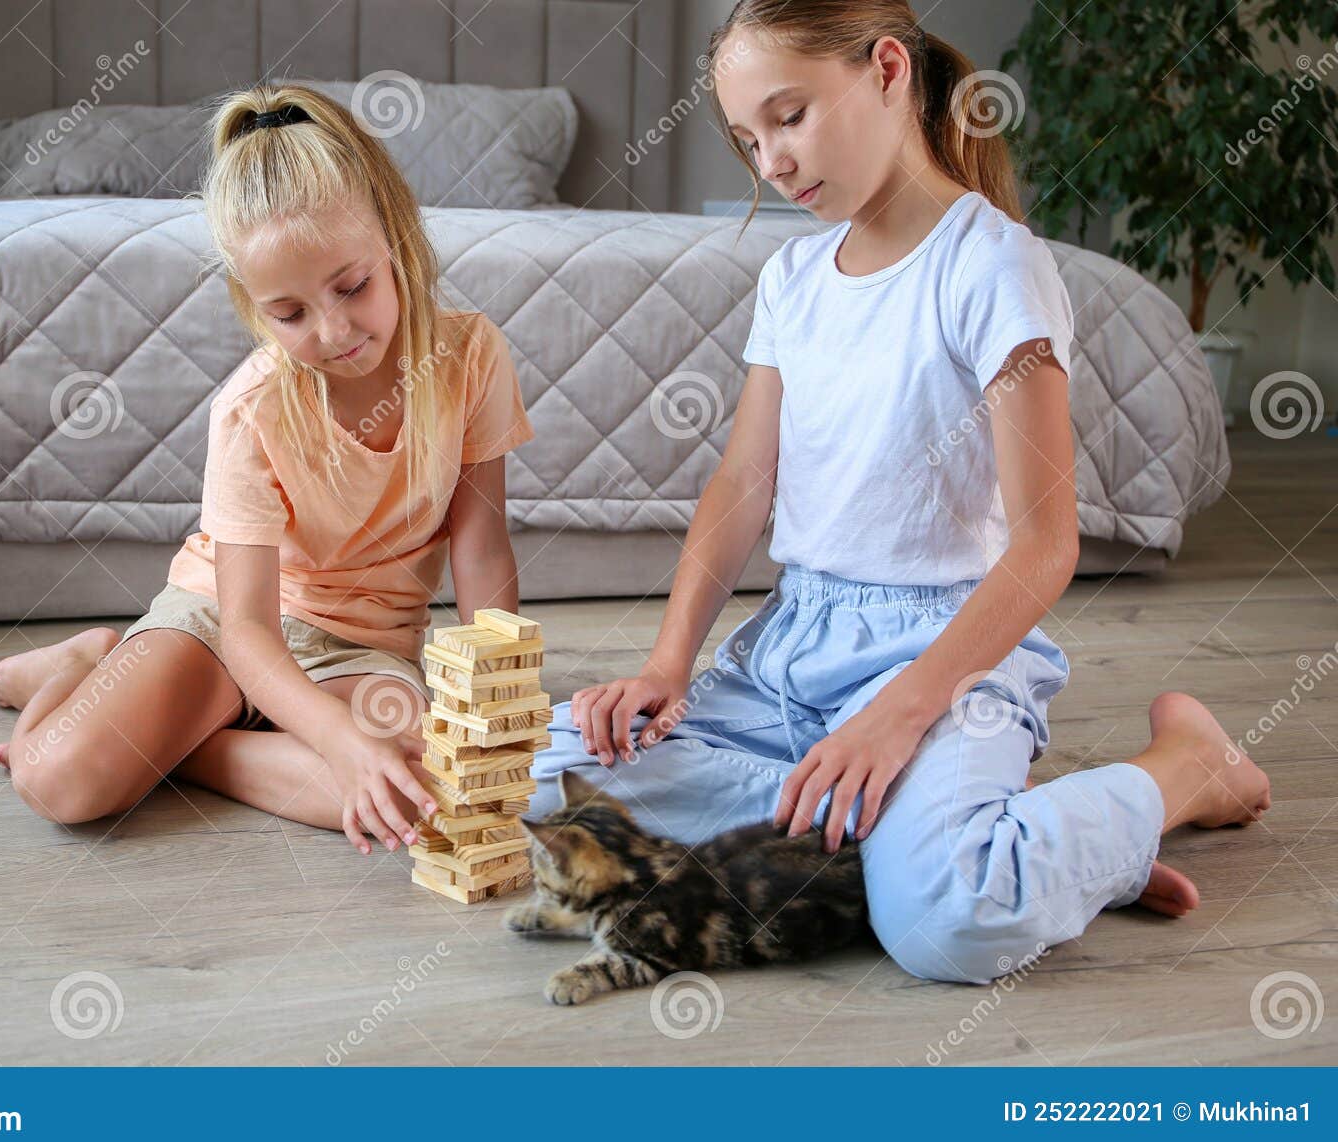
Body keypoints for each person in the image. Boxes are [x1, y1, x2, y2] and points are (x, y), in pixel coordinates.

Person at [530, 2, 1270, 984]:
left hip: (946, 653)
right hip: (794, 648)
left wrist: (904, 709)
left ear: (886, 70)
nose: (772, 164)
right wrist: (668, 662)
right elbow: (743, 482)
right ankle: (990, 837)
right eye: (749, 139)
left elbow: (1047, 546)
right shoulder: (793, 277)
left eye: (788, 117)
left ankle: (1176, 770)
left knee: (950, 923)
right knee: (543, 774)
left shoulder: (992, 264)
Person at [0, 86, 534, 855]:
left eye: (353, 287)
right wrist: (335, 743)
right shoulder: (253, 407)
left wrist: (497, 687)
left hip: (363, 647)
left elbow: (480, 542)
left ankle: (180, 747)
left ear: (394, 236)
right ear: (253, 305)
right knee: (60, 781)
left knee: (426, 785)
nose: (336, 330)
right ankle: (90, 660)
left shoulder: (469, 355)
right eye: (291, 313)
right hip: (224, 627)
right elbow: (246, 630)